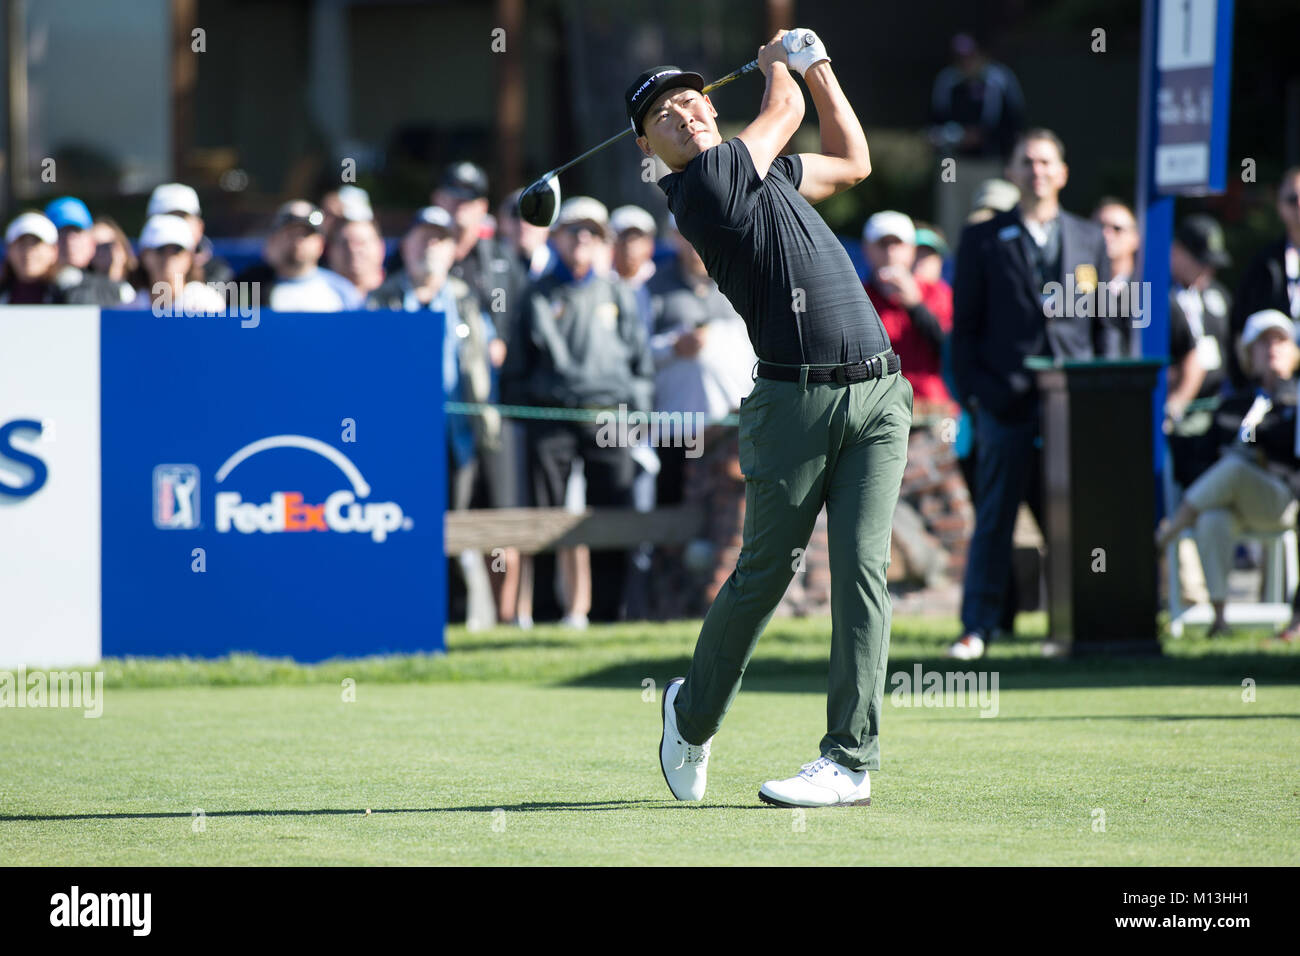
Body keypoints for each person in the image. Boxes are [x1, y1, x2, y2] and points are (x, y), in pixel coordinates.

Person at [631, 27, 910, 809]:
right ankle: (690, 718)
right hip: (793, 404)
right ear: (649, 149)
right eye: (663, 114)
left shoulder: (764, 174)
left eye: (691, 98)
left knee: (862, 573)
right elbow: (780, 110)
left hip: (880, 395)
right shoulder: (703, 189)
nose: (685, 112)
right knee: (764, 576)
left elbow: (853, 160)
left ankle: (849, 761)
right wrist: (780, 68)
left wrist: (822, 69)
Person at [948, 128, 1119, 660]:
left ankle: (1085, 626)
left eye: (1047, 162)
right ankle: (979, 627)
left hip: (1073, 402)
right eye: (1028, 162)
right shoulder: (982, 239)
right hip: (1006, 398)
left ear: (1063, 172)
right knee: (996, 516)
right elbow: (965, 328)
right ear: (1013, 172)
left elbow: (1106, 322)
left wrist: (1104, 383)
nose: (1038, 171)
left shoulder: (1090, 238)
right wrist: (977, 395)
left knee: (1077, 520)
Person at [500, 196, 654, 628]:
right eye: (574, 231)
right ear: (558, 237)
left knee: (613, 517)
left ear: (603, 241)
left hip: (612, 418)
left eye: (592, 232)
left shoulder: (619, 293)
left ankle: (608, 614)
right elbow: (515, 368)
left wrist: (638, 416)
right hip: (551, 419)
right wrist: (527, 413)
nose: (582, 239)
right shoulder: (537, 293)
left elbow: (641, 366)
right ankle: (548, 614)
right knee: (545, 518)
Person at [367, 206, 500, 626]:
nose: (430, 246)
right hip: (399, 441)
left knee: (455, 531)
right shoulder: (381, 299)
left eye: (440, 239)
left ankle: (456, 623)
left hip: (456, 434)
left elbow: (485, 365)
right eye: (422, 237)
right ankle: (404, 619)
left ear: (452, 251)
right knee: (402, 526)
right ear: (405, 246)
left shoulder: (466, 301)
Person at [1156, 310, 1300, 637]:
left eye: (1280, 340)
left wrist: (1254, 436)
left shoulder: (1294, 399)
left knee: (1234, 468)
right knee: (1212, 519)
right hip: (1236, 502)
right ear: (1249, 353)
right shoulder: (1233, 403)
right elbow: (1207, 450)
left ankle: (1166, 534)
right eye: (1263, 342)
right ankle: (1219, 620)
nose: (1272, 349)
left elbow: (1279, 439)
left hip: (1282, 500)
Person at [861, 210, 955, 417]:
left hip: (930, 407)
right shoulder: (858, 297)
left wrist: (915, 305)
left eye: (898, 244)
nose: (890, 252)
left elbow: (949, 347)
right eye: (883, 244)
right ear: (867, 249)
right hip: (875, 409)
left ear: (912, 250)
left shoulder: (938, 293)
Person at [1231, 167, 1300, 383]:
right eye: (1292, 199)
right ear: (1279, 207)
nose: (1299, 205)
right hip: (1275, 387)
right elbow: (1241, 331)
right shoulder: (1264, 264)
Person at [235, 201, 363, 311]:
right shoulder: (248, 290)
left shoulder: (342, 291)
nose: (298, 241)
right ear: (273, 241)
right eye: (290, 233)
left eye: (305, 235)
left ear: (321, 244)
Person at [127, 215, 228, 314]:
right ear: (144, 256)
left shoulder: (207, 303)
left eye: (177, 250)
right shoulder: (129, 308)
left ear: (189, 257)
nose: (169, 258)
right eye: (160, 250)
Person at [43, 196, 128, 306]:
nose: (70, 240)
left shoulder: (119, 292)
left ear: (91, 242)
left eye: (77, 231)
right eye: (61, 232)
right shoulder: (23, 291)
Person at [146, 182, 234, 285]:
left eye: (182, 218)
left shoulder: (219, 273)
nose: (174, 226)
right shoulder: (134, 275)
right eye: (167, 218)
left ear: (199, 226)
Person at [1093, 197, 1140, 354]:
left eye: (1117, 229)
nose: (1107, 234)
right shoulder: (1077, 289)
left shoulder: (1154, 291)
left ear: (1135, 238)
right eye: (1099, 227)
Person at [0, 213, 62, 304]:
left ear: (54, 251)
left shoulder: (69, 294)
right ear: (8, 250)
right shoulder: (3, 293)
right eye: (22, 243)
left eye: (35, 243)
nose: (28, 251)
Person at [327, 217, 386, 299]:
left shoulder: (403, 295)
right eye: (345, 243)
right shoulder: (317, 296)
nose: (353, 249)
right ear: (330, 250)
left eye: (361, 242)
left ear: (381, 247)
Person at [89, 217, 138, 291]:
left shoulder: (144, 285)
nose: (102, 252)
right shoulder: (82, 288)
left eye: (108, 245)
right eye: (96, 246)